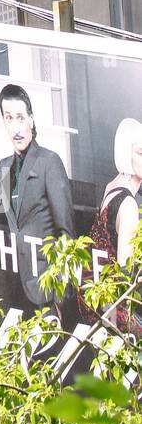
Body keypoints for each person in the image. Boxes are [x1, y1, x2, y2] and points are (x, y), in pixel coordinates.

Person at [0, 83, 74, 309]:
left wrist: (60, 298)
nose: (16, 128)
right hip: (13, 289)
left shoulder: (49, 162)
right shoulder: (5, 166)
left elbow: (66, 234)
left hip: (46, 292)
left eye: (20, 118)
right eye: (9, 118)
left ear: (31, 121)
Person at [80, 117, 142, 333]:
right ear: (126, 153)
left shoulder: (112, 187)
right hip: (115, 313)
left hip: (97, 304)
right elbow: (127, 274)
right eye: (140, 153)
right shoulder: (128, 205)